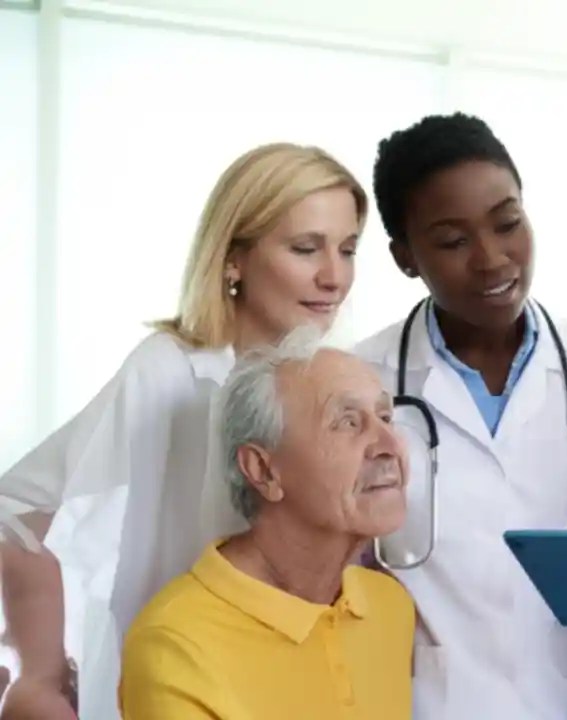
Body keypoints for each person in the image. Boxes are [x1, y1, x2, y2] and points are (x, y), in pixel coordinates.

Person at [0, 143, 367, 720]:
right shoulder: (172, 372)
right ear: (232, 259)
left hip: (289, 675)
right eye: (306, 248)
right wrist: (41, 677)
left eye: (347, 250)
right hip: (174, 679)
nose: (334, 277)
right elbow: (18, 514)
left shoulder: (329, 385)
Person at [353, 112, 567, 719]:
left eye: (508, 223)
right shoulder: (362, 382)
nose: (493, 258)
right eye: (452, 240)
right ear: (404, 257)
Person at [119, 330, 414, 718]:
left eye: (386, 417)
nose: (390, 444)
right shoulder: (175, 646)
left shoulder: (390, 607)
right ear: (263, 470)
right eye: (347, 422)